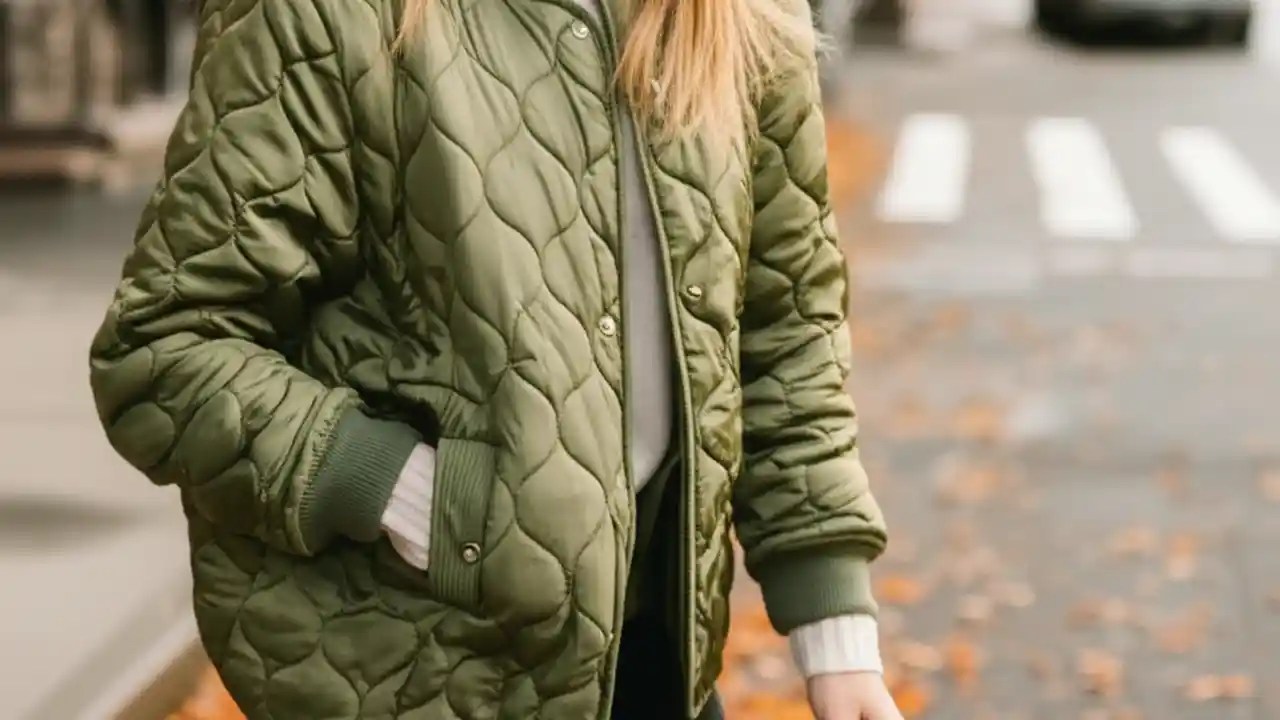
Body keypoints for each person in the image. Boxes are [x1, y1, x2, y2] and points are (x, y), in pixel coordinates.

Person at [88, 0, 899, 717]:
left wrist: (836, 631)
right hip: (412, 668)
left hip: (650, 666)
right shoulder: (326, 14)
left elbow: (783, 335)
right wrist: (413, 499)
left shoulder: (736, 16)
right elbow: (166, 349)